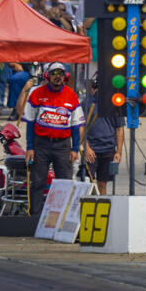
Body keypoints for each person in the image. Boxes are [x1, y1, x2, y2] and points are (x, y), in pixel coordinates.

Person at [23, 63, 84, 214]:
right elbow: (30, 122)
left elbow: (76, 125)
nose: (58, 77)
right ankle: (34, 217)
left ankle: (64, 216)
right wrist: (30, 147)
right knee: (37, 182)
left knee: (65, 182)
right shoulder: (37, 93)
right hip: (41, 145)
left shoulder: (71, 95)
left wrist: (75, 149)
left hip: (63, 146)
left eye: (61, 74)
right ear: (47, 76)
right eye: (54, 73)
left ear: (65, 77)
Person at [82, 79, 124, 195]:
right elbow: (80, 127)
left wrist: (119, 152)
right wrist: (87, 148)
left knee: (103, 183)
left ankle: (103, 205)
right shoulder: (87, 103)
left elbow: (119, 129)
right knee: (86, 182)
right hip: (92, 150)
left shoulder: (115, 104)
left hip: (108, 149)